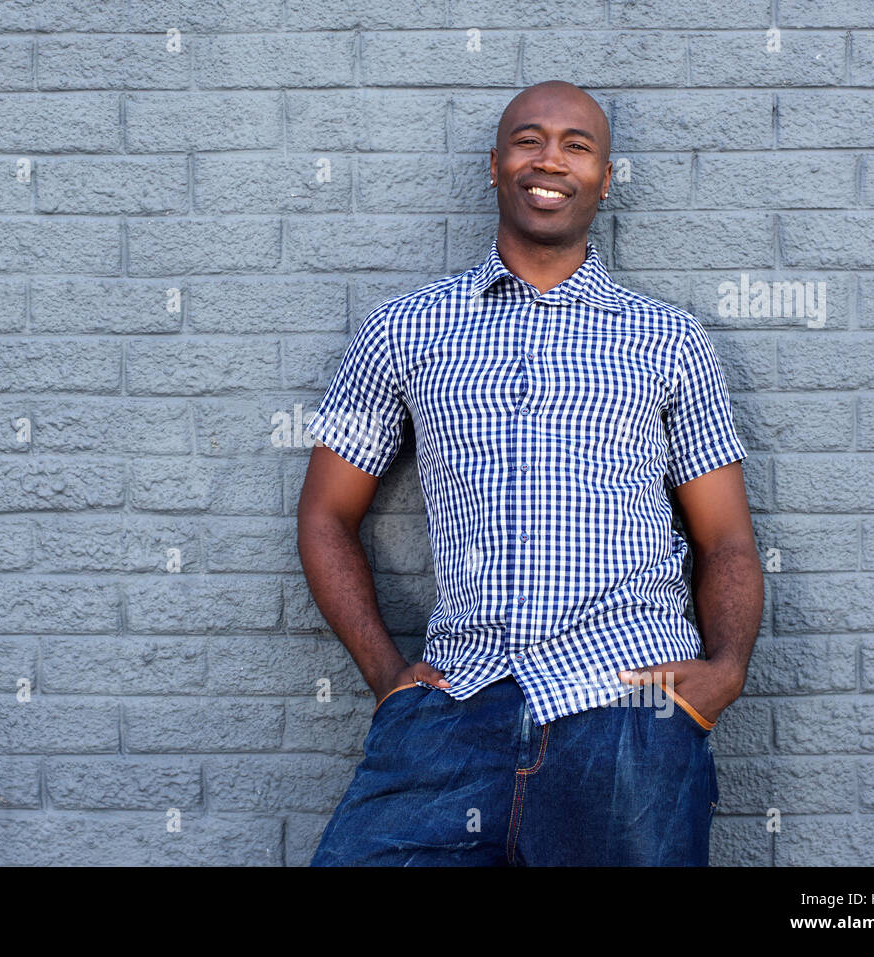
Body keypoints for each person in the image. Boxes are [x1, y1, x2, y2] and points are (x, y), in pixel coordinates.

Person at [297, 80, 764, 866]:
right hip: (454, 703)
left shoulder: (669, 339)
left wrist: (721, 677)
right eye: (528, 139)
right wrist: (390, 680)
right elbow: (324, 514)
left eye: (577, 145)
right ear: (494, 165)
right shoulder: (403, 328)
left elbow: (727, 540)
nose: (551, 159)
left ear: (606, 177)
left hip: (630, 705)